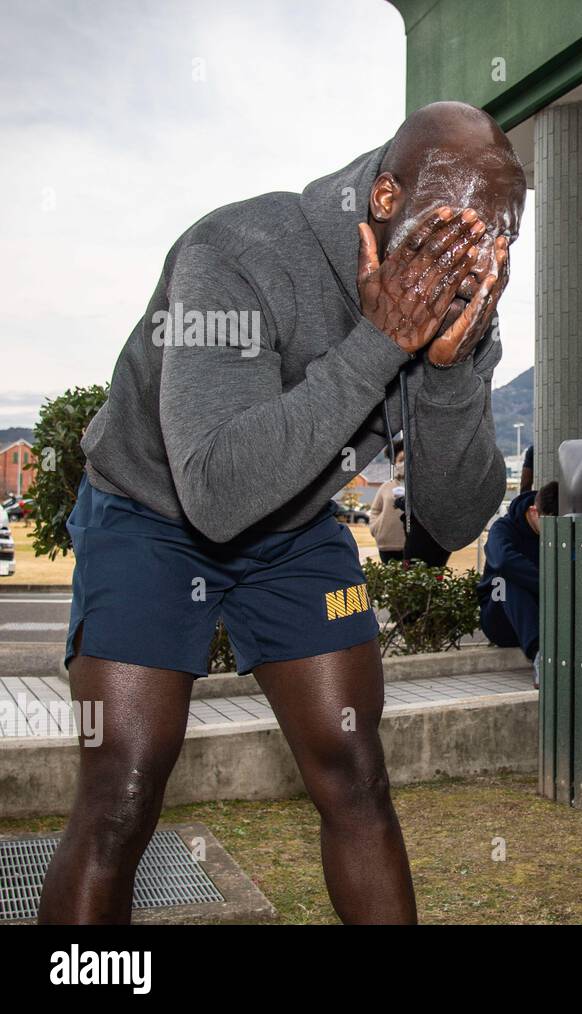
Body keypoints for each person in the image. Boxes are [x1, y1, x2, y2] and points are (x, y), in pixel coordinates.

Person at [42, 101, 525, 925]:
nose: (470, 263)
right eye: (452, 232)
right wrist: (380, 342)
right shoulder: (234, 254)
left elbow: (450, 519)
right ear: (384, 200)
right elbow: (218, 495)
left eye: (497, 241)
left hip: (297, 528)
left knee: (353, 768)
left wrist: (449, 374)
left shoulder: (455, 297)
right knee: (123, 789)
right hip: (154, 514)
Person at [477, 481, 558, 688]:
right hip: (499, 618)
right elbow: (502, 560)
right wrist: (550, 586)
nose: (556, 531)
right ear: (533, 512)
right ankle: (541, 656)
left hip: (543, 616)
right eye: (551, 523)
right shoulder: (504, 528)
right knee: (507, 577)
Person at [369, 449, 407, 563]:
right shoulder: (386, 486)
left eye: (407, 459)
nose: (404, 463)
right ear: (395, 462)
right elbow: (375, 510)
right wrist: (375, 528)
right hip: (387, 542)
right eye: (401, 460)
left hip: (413, 544)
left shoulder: (420, 486)